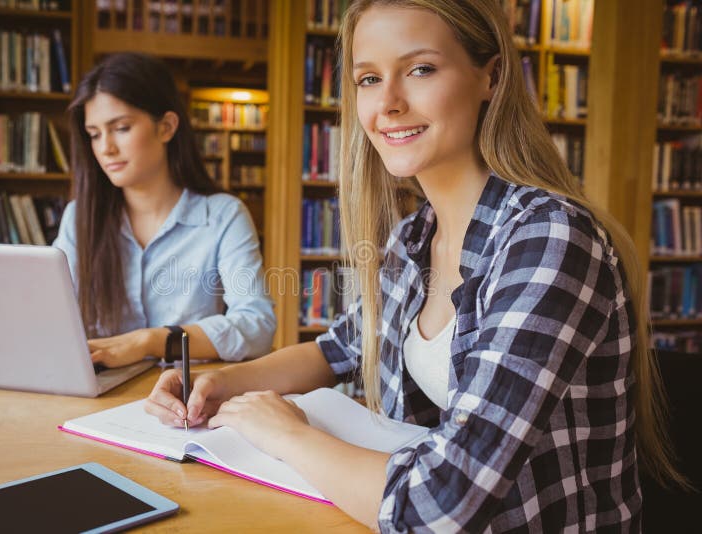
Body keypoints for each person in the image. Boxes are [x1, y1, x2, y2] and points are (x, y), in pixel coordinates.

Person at [145, 1, 685, 531]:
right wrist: (220, 383)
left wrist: (287, 434)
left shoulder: (550, 238)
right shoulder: (415, 236)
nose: (389, 104)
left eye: (420, 69)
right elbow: (339, 348)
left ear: (491, 77)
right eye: (368, 79)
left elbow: (442, 506)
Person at [53, 52, 276, 367]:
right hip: (99, 400)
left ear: (167, 127)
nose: (105, 148)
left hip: (187, 400)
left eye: (121, 128)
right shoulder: (79, 218)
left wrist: (151, 341)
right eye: (94, 134)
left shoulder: (223, 216)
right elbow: (52, 319)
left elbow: (258, 327)